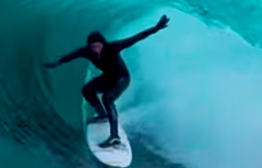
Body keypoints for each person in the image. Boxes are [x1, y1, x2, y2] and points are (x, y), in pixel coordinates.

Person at [44, 15, 170, 147]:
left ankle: (114, 137)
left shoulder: (113, 47)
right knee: (87, 90)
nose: (95, 49)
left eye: (97, 46)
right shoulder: (88, 51)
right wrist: (57, 63)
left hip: (122, 78)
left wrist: (156, 28)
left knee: (107, 99)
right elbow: (72, 54)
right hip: (109, 77)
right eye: (92, 46)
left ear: (103, 43)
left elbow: (135, 38)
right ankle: (103, 115)